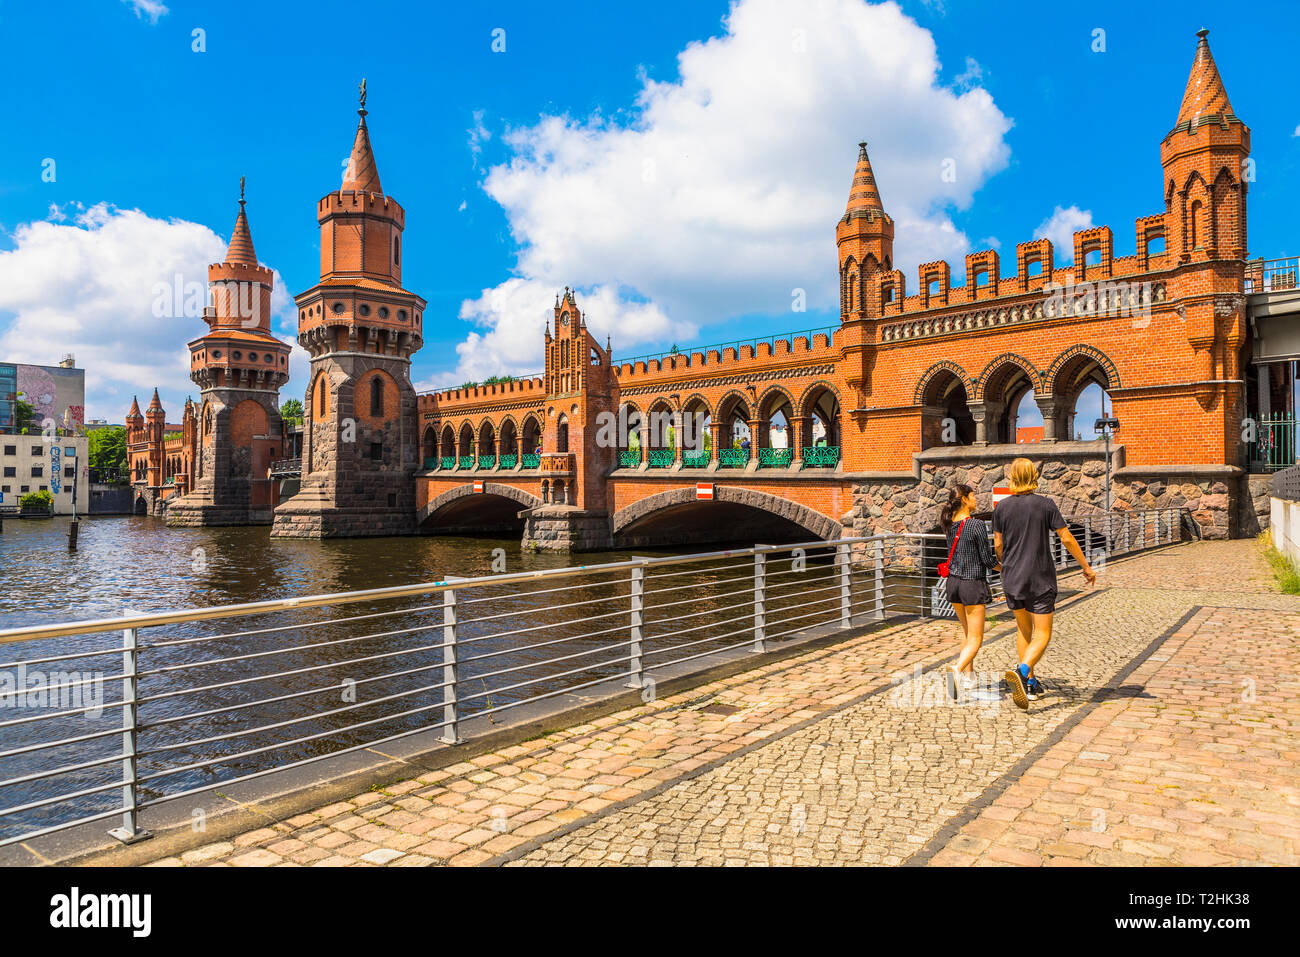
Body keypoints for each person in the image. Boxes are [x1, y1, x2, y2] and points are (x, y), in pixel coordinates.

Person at [993, 458, 1097, 710]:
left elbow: (998, 545)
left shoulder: (1001, 508)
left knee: (1023, 629)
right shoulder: (1046, 505)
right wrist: (1085, 565)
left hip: (1012, 577)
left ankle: (1030, 683)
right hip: (1039, 577)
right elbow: (1067, 537)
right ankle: (1022, 671)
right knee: (1043, 633)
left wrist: (1006, 565)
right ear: (1033, 476)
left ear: (1012, 477)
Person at [939, 483, 998, 701]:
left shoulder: (949, 524)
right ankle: (957, 669)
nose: (976, 499)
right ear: (964, 499)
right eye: (973, 496)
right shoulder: (975, 525)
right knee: (976, 638)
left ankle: (969, 677)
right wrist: (1006, 567)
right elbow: (987, 560)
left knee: (966, 632)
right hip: (972, 584)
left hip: (953, 583)